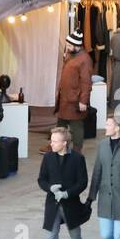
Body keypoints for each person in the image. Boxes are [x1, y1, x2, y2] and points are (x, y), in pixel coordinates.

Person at [38, 126, 89, 239]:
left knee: (76, 238)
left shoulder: (77, 158)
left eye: (55, 141)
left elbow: (82, 182)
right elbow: (41, 179)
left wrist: (67, 194)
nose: (51, 144)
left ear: (64, 143)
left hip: (71, 205)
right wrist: (50, 188)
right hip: (52, 205)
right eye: (51, 141)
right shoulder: (48, 157)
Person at [53, 26, 92, 154]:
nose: (67, 46)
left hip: (75, 99)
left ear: (77, 45)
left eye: (70, 44)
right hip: (64, 98)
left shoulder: (85, 59)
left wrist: (83, 101)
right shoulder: (70, 54)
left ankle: (77, 151)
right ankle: (58, 146)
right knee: (60, 125)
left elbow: (86, 82)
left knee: (76, 126)